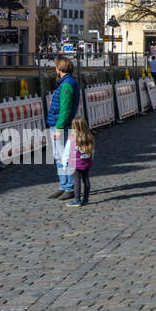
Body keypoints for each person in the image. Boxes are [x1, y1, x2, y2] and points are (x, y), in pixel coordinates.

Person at [46, 56, 79, 200]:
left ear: (59, 69)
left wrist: (59, 127)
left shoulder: (66, 84)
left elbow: (65, 108)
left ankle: (69, 186)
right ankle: (64, 185)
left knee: (64, 157)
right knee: (59, 156)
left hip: (61, 125)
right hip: (60, 123)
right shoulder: (68, 82)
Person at [65, 117, 95, 208]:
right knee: (86, 180)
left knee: (76, 181)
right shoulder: (89, 136)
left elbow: (67, 151)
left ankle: (77, 200)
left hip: (75, 164)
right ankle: (85, 199)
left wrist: (65, 162)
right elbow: (92, 151)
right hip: (86, 162)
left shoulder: (72, 138)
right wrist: (90, 159)